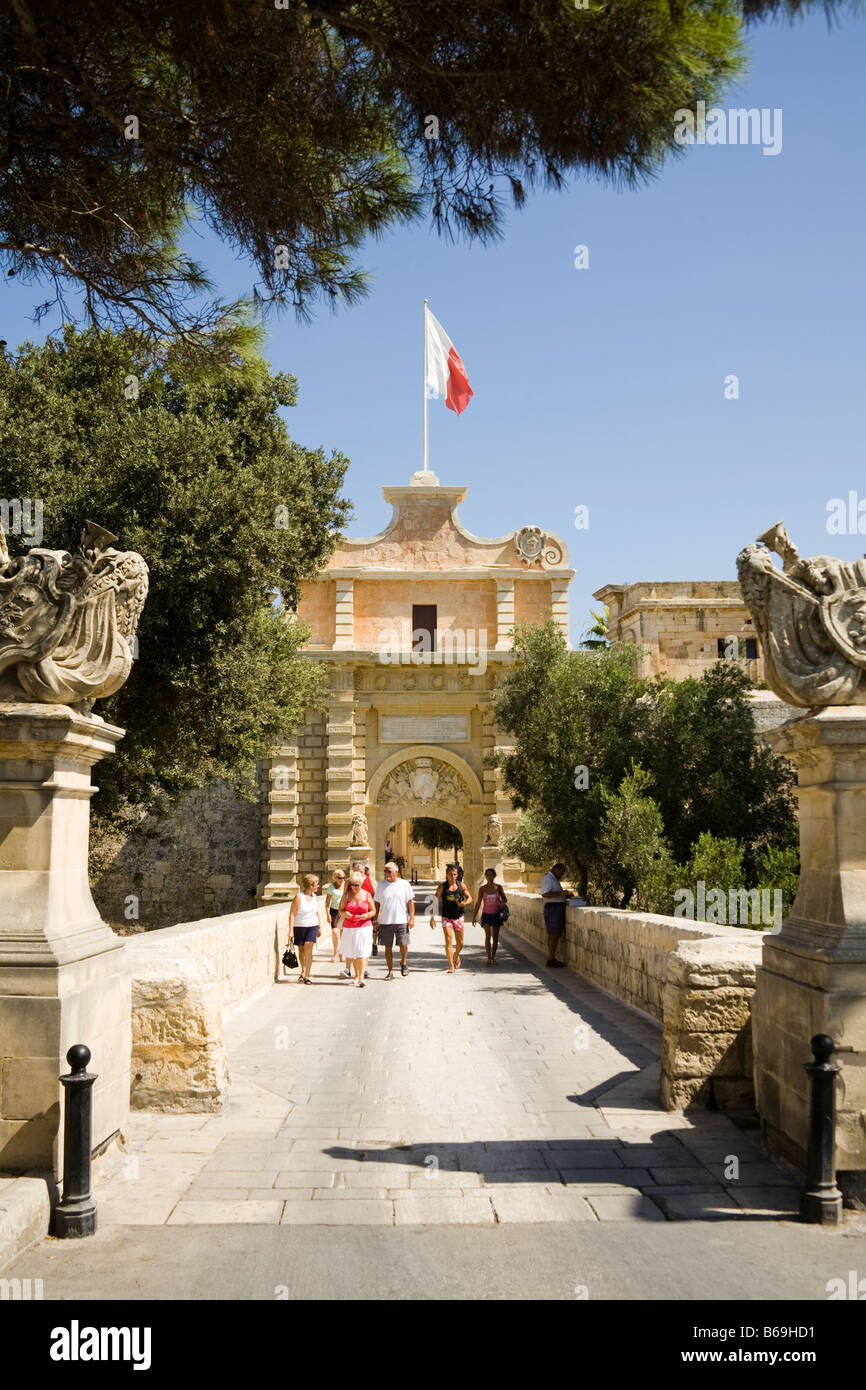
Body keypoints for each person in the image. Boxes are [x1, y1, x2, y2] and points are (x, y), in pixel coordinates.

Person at [372, 860, 415, 978]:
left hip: (401, 920)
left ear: (396, 872)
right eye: (385, 871)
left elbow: (411, 902)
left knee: (403, 945)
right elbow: (377, 904)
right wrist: (375, 920)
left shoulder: (404, 884)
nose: (387, 873)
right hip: (386, 921)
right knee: (388, 947)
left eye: (389, 871)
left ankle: (403, 962)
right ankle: (390, 971)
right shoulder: (381, 885)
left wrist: (411, 919)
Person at [433, 864, 473, 973]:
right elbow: (435, 901)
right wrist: (432, 917)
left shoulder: (462, 886)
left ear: (457, 875)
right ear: (447, 875)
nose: (453, 876)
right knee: (448, 940)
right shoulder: (442, 887)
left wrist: (463, 903)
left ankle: (456, 955)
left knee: (460, 943)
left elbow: (470, 898)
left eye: (455, 874)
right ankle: (451, 966)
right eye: (451, 875)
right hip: (446, 917)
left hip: (458, 917)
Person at [288, 873, 327, 984]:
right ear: (310, 886)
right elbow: (292, 914)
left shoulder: (314, 897)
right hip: (299, 926)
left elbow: (317, 912)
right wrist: (290, 930)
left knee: (309, 950)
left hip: (312, 926)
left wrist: (319, 927)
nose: (318, 886)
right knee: (301, 950)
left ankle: (307, 975)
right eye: (316, 884)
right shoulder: (299, 897)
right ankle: (303, 970)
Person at [340, 871, 375, 987]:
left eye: (357, 885)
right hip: (350, 927)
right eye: (352, 884)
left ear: (361, 884)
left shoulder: (367, 895)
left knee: (363, 951)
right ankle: (356, 975)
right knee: (353, 952)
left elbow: (373, 910)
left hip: (364, 927)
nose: (354, 887)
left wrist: (367, 915)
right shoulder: (346, 895)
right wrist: (345, 914)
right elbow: (341, 910)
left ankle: (361, 978)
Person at [472, 869, 507, 966]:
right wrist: (474, 916)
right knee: (487, 936)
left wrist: (502, 903)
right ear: (485, 876)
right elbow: (478, 902)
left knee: (495, 938)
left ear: (494, 876)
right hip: (486, 915)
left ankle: (493, 957)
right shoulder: (482, 889)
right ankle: (489, 958)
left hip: (496, 915)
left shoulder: (499, 888)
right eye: (487, 875)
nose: (488, 876)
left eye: (490, 874)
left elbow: (504, 898)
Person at [540, 862, 569, 968]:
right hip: (553, 908)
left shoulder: (554, 879)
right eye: (562, 872)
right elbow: (545, 894)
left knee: (555, 934)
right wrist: (561, 894)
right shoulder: (548, 879)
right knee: (553, 934)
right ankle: (551, 959)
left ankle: (552, 958)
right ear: (556, 869)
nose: (562, 874)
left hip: (557, 907)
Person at [323, 869, 346, 962]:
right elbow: (327, 902)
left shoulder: (346, 886)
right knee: (335, 932)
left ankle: (342, 954)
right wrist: (327, 914)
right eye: (340, 878)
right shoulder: (331, 887)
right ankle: (335, 953)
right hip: (334, 911)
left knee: (343, 933)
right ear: (335, 878)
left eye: (343, 878)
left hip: (343, 911)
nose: (342, 880)